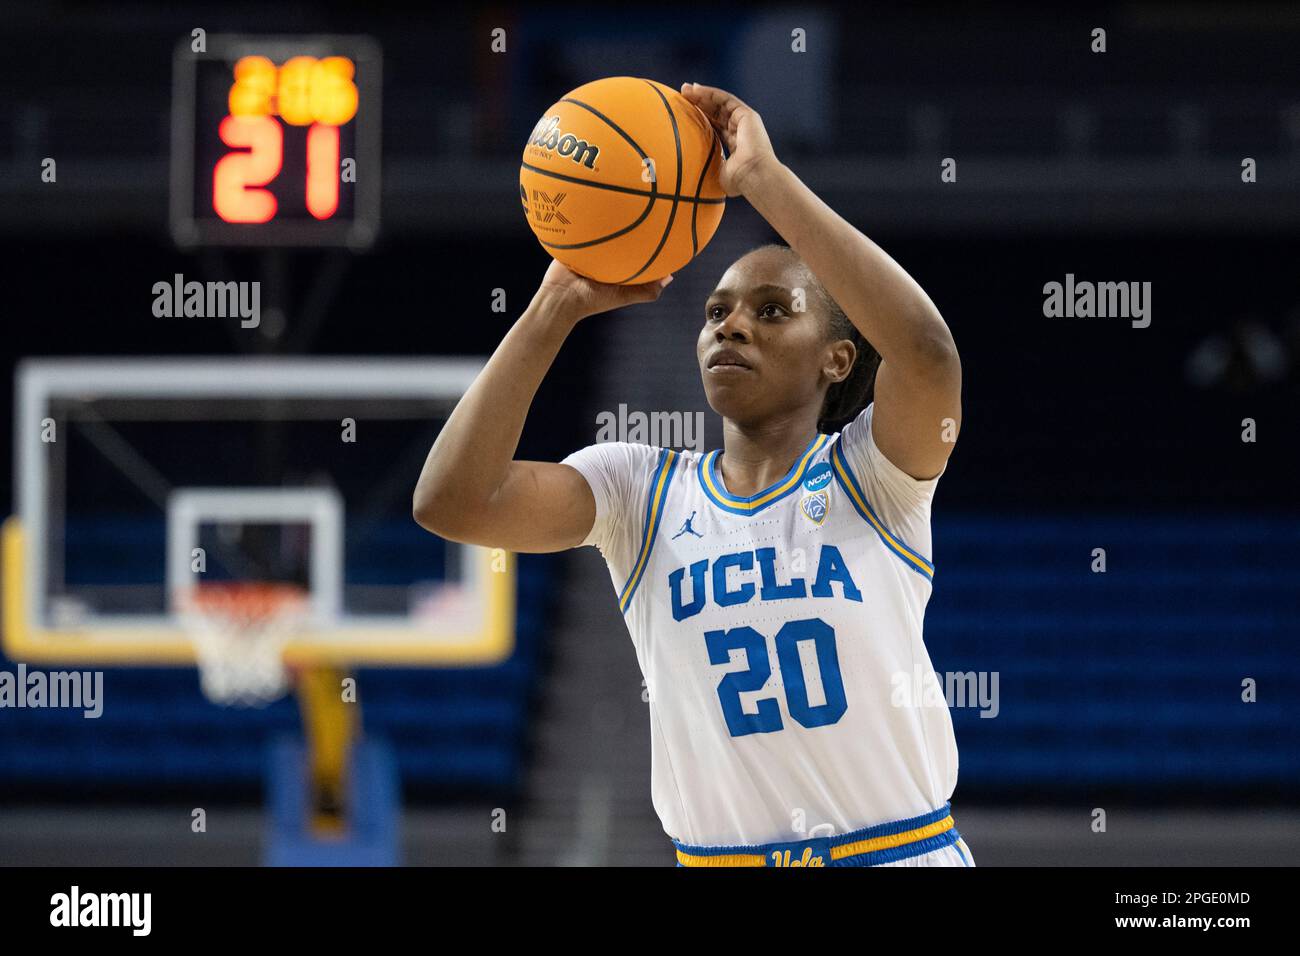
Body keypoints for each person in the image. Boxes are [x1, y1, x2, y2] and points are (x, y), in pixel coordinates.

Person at [414, 83, 970, 866]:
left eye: (772, 310)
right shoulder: (637, 490)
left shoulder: (875, 478)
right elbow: (453, 502)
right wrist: (553, 306)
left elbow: (927, 354)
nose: (732, 324)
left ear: (837, 358)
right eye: (716, 312)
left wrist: (764, 181)